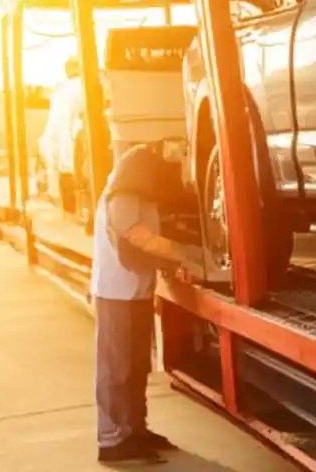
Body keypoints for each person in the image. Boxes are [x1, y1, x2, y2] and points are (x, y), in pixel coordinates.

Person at [91, 144, 203, 463]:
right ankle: (113, 440)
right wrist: (183, 252)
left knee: (136, 366)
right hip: (116, 294)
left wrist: (172, 259)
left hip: (134, 292)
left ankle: (135, 429)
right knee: (117, 370)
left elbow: (148, 241)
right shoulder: (123, 195)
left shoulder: (137, 195)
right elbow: (136, 236)